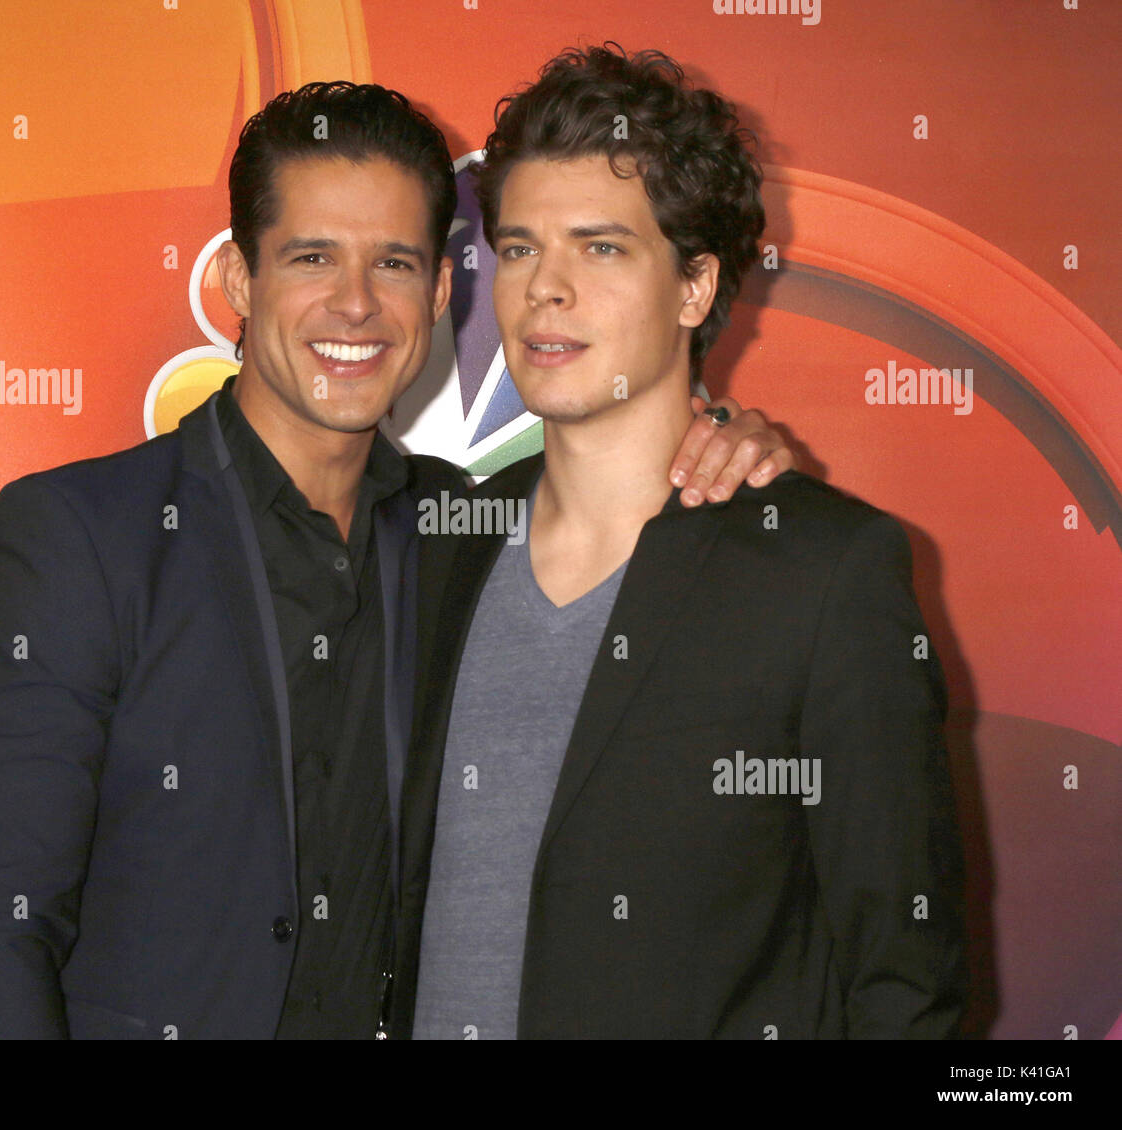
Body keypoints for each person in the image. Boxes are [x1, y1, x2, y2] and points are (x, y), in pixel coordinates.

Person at [0, 79, 794, 1038]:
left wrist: (722, 435)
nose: (354, 304)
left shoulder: (463, 536)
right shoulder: (86, 536)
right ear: (240, 286)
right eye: (311, 258)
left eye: (392, 263)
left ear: (437, 292)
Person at [397, 45, 967, 1040]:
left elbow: (904, 987)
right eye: (521, 246)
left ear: (696, 288)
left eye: (602, 247)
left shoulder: (824, 572)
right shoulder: (441, 541)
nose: (546, 289)